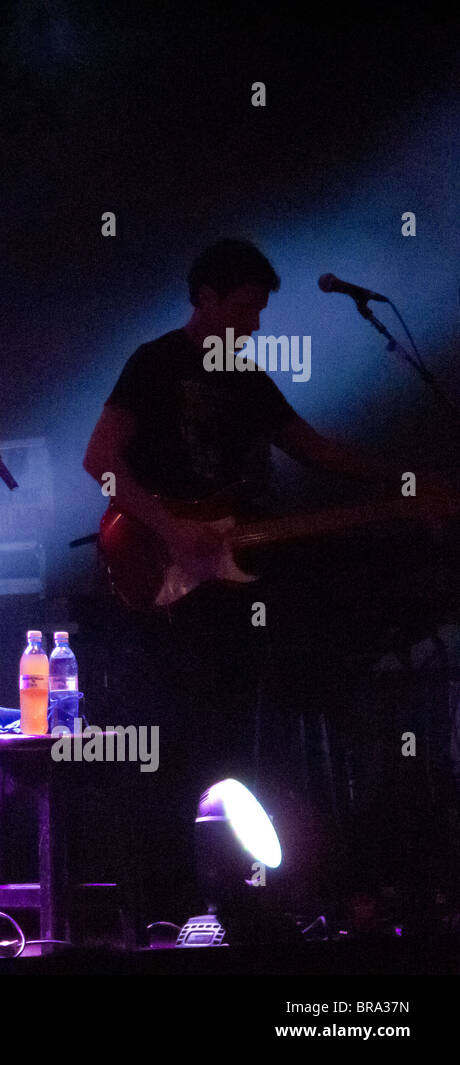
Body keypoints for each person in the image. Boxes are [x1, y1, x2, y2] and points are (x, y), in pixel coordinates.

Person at [82, 238, 429, 923]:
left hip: (238, 590)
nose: (256, 323)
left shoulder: (247, 377)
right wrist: (168, 523)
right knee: (180, 744)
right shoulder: (155, 364)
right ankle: (175, 902)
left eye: (261, 310)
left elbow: (313, 449)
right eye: (245, 307)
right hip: (166, 581)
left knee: (248, 733)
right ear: (205, 297)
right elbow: (100, 458)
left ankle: (260, 894)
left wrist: (404, 478)